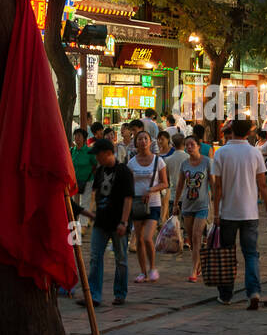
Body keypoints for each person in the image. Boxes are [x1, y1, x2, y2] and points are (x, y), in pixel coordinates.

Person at [211, 117, 267, 309]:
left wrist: (215, 213)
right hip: (250, 212)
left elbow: (217, 187)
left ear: (232, 130)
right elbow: (262, 184)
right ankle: (253, 291)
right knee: (251, 254)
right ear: (248, 132)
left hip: (228, 212)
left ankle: (226, 294)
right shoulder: (254, 153)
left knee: (227, 253)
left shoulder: (222, 153)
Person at [79, 138, 132, 307]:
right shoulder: (100, 171)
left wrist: (124, 222)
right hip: (101, 222)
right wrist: (92, 213)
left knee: (121, 259)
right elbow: (96, 193)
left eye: (98, 155)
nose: (96, 158)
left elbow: (128, 198)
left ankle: (120, 293)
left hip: (118, 223)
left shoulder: (123, 171)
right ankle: (94, 295)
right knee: (95, 257)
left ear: (107, 153)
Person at [127, 129, 168, 284]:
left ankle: (152, 267)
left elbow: (165, 183)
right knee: (139, 239)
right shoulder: (131, 163)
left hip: (153, 204)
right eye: (140, 139)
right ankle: (142, 271)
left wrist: (151, 190)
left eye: (145, 138)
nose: (143, 141)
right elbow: (129, 184)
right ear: (136, 143)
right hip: (137, 204)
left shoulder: (159, 161)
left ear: (150, 142)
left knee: (147, 237)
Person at [174, 136, 214, 282]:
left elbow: (213, 182)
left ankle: (193, 269)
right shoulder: (184, 164)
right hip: (187, 205)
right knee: (190, 238)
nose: (189, 147)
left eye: (192, 144)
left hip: (202, 205)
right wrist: (175, 204)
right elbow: (179, 185)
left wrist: (216, 202)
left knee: (197, 236)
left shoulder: (207, 162)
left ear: (198, 146)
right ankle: (197, 263)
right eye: (187, 145)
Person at [70, 128, 97, 225]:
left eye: (79, 136)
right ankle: (73, 224)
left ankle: (82, 226)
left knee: (84, 203)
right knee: (73, 204)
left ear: (84, 138)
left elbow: (96, 164)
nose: (77, 138)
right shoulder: (72, 151)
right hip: (73, 182)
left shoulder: (89, 151)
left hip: (88, 181)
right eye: (75, 135)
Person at [162, 133, 188, 221]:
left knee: (173, 225)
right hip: (187, 195)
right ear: (184, 144)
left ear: (172, 144)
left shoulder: (167, 159)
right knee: (186, 227)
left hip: (173, 195)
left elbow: (166, 180)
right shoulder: (189, 158)